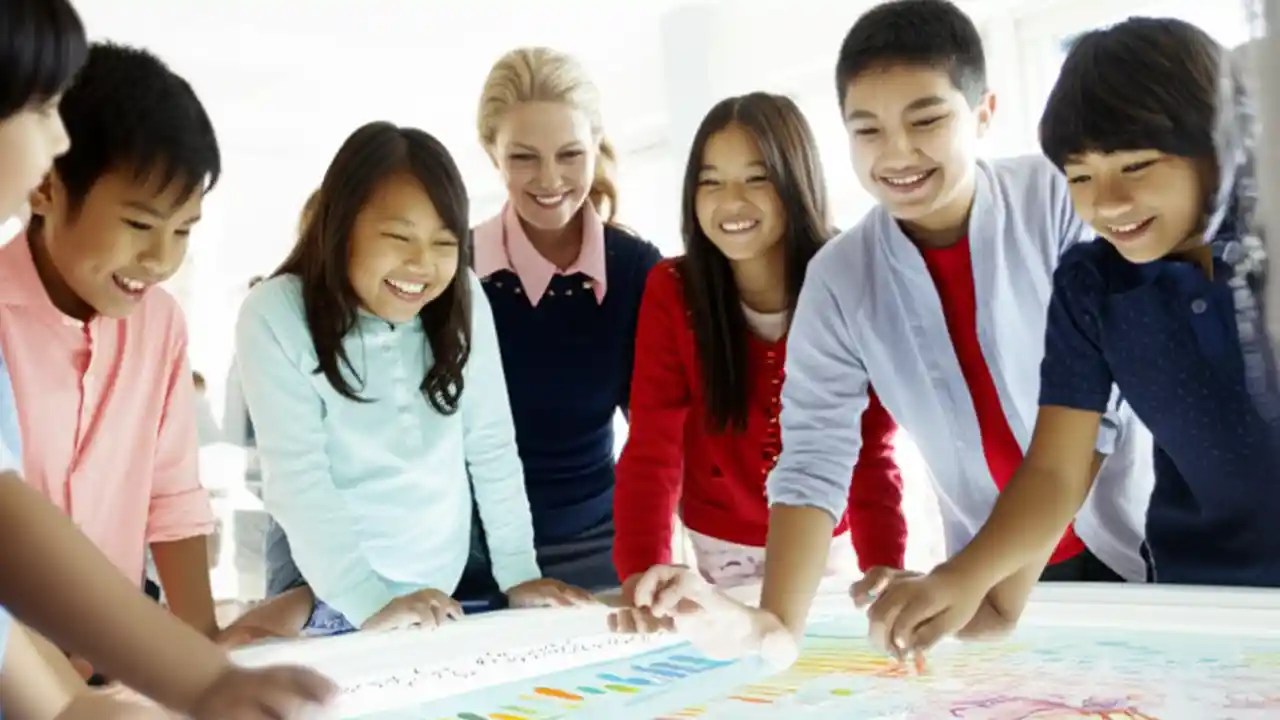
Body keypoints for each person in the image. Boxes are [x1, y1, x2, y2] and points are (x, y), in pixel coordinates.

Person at [610, 0, 1153, 662]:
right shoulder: (841, 276)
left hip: (1130, 541)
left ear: (983, 113)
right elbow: (814, 456)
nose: (897, 152)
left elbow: (1100, 415)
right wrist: (774, 623)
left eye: (926, 120)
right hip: (981, 576)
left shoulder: (1059, 198)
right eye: (867, 129)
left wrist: (976, 579)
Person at [863, 16, 1280, 658]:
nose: (1107, 202)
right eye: (1080, 176)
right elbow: (1056, 469)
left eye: (1135, 166)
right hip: (1200, 598)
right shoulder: (1093, 287)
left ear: (1218, 148)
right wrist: (972, 583)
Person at [0, 3, 335, 714]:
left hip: (113, 655)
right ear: (49, 189)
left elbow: (171, 494)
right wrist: (188, 679)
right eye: (139, 224)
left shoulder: (159, 324)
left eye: (184, 231)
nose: (160, 258)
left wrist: (202, 651)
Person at [232, 122, 594, 638]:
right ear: (341, 225)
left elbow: (491, 444)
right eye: (399, 237)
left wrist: (519, 573)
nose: (422, 265)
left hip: (440, 579)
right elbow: (298, 479)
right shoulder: (275, 312)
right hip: (324, 582)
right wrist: (368, 602)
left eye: (444, 242)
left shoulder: (462, 296)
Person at [610, 92, 905, 598]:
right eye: (711, 181)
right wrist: (642, 569)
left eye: (756, 178)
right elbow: (652, 447)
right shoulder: (674, 290)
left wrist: (884, 565)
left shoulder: (848, 279)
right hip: (720, 545)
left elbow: (870, 448)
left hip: (822, 535)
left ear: (796, 180)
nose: (731, 202)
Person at [469, 46, 663, 595]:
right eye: (523, 157)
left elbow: (657, 433)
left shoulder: (635, 270)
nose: (550, 179)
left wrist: (657, 554)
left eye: (570, 154)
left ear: (596, 146)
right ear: (492, 153)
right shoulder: (456, 270)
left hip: (603, 545)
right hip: (474, 552)